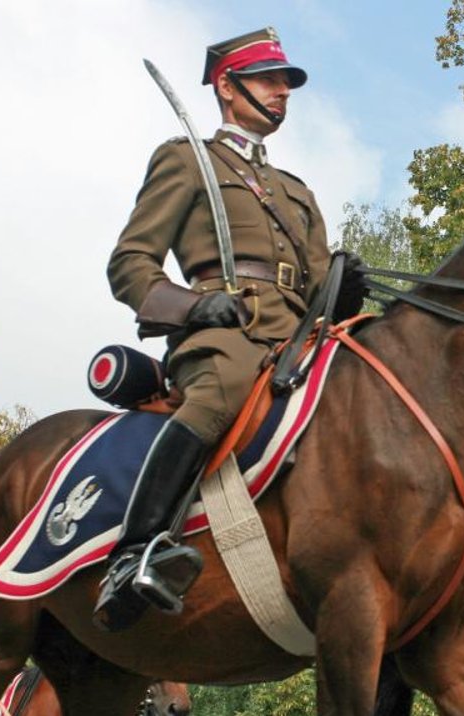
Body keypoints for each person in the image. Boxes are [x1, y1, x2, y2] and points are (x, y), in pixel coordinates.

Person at [95, 27, 351, 631]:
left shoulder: (298, 192)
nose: (283, 92)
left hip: (298, 339)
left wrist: (345, 292)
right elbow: (129, 264)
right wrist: (189, 308)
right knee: (219, 394)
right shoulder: (188, 160)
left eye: (287, 82)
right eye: (269, 79)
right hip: (225, 332)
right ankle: (135, 552)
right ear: (227, 87)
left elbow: (319, 291)